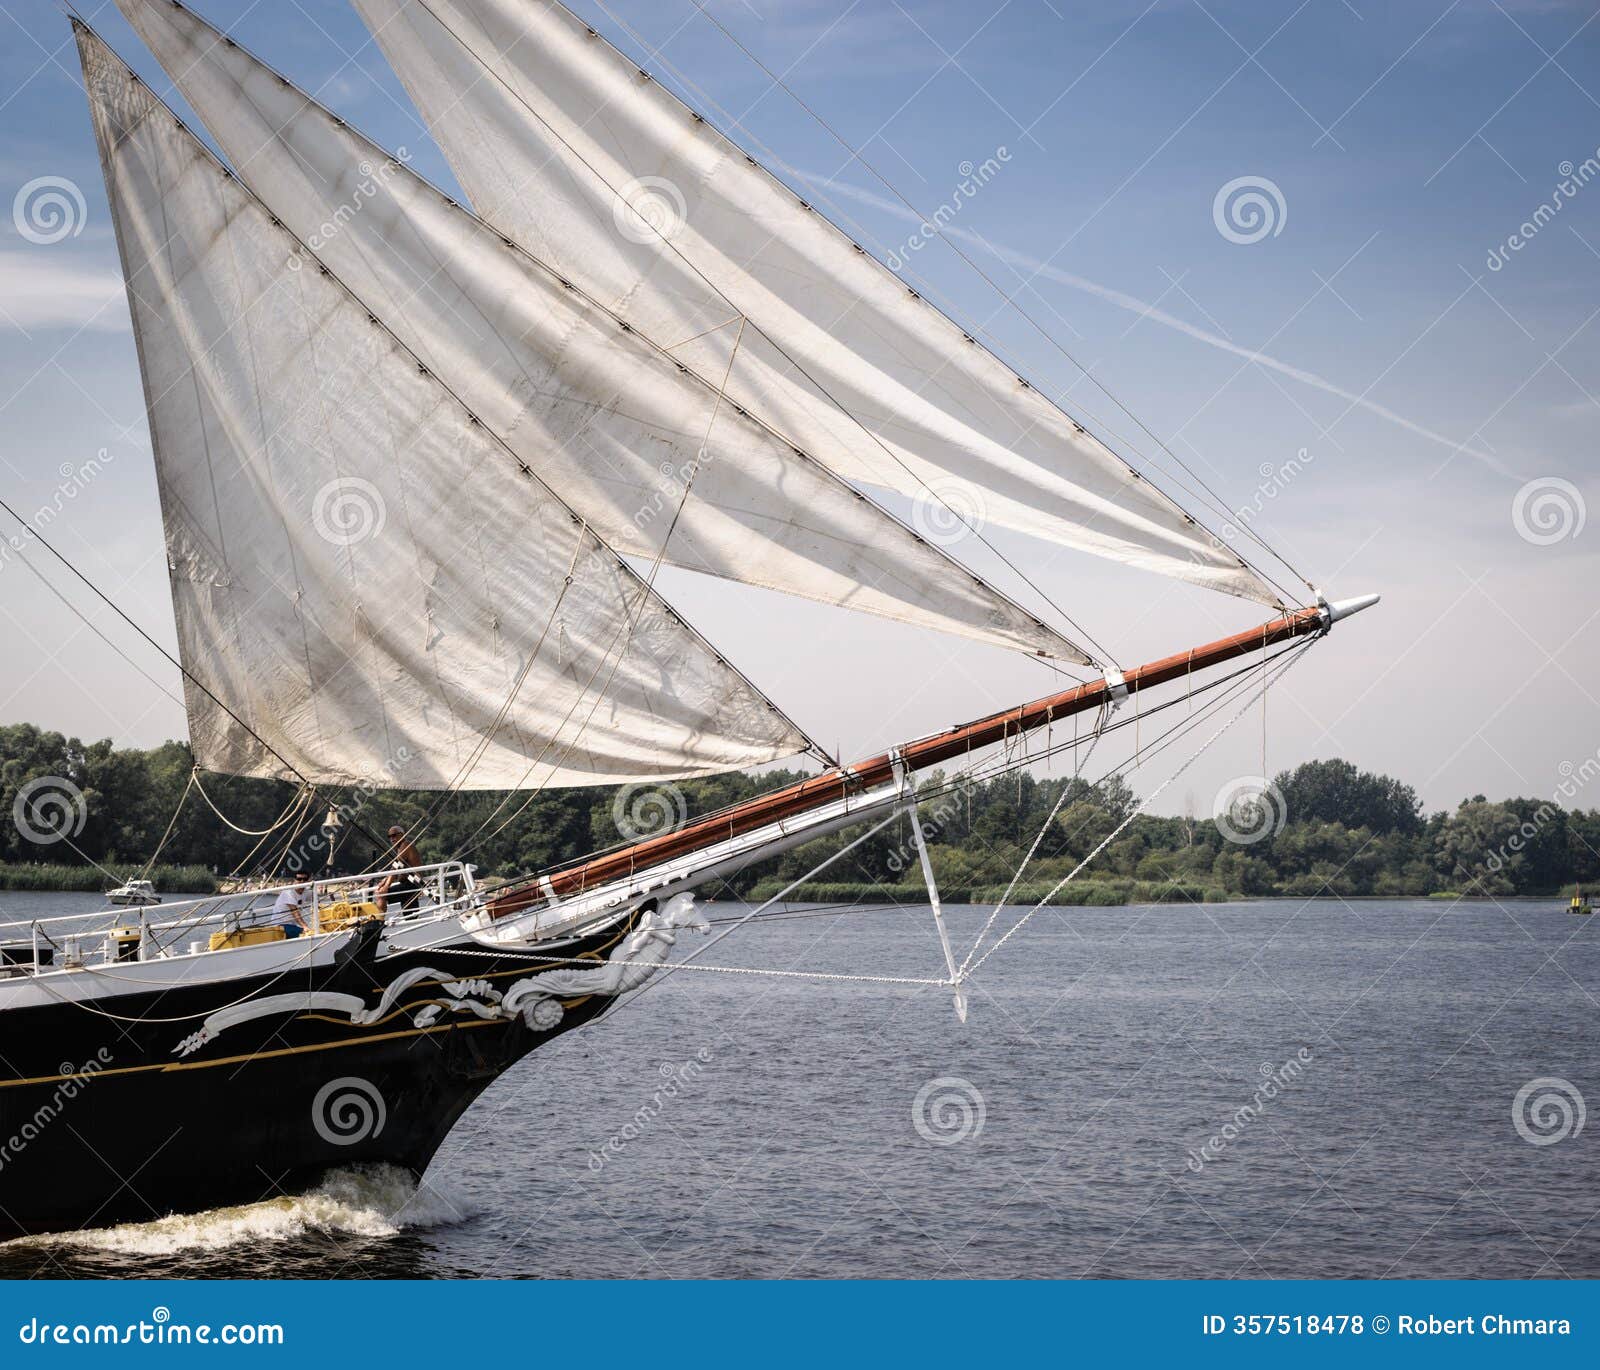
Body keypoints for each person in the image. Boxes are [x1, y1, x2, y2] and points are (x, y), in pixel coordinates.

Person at [385, 825, 426, 912]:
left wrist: (386, 886)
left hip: (411, 884)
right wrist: (384, 881)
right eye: (389, 836)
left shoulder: (405, 845)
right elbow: (395, 868)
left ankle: (378, 919)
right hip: (409, 885)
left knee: (381, 895)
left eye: (394, 835)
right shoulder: (400, 848)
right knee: (410, 915)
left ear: (401, 835)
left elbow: (396, 867)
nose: (392, 839)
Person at [273, 870, 312, 938]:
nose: (302, 881)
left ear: (308, 881)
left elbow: (316, 898)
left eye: (305, 879)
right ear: (294, 880)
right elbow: (295, 912)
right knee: (309, 933)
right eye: (299, 879)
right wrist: (305, 926)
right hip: (281, 925)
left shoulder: (305, 892)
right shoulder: (288, 892)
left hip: (292, 925)